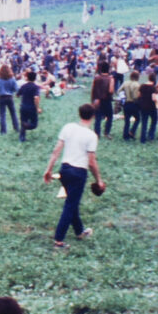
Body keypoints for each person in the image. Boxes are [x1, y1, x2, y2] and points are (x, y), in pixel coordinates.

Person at [43, 103, 105, 248]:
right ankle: (58, 240)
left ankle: (80, 232)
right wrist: (99, 180)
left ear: (79, 114)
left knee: (73, 201)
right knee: (70, 205)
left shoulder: (68, 127)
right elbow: (91, 162)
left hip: (65, 170)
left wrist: (49, 169)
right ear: (93, 117)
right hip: (78, 173)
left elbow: (56, 150)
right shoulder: (91, 136)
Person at [0, 63, 19, 134]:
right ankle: (16, 128)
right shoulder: (12, 79)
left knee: (2, 115)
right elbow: (17, 89)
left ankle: (3, 131)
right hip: (10, 97)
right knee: (13, 113)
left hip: (2, 97)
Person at [15, 69, 41, 143]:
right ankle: (25, 125)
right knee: (34, 124)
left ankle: (21, 138)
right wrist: (38, 108)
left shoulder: (23, 86)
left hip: (23, 107)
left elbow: (17, 95)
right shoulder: (36, 87)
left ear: (27, 77)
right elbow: (36, 97)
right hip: (31, 108)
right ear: (35, 78)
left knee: (24, 121)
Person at [90, 60, 114, 139]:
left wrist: (93, 101)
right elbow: (111, 90)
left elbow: (93, 90)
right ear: (108, 69)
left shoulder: (96, 78)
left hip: (97, 100)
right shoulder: (110, 79)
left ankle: (97, 134)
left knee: (98, 118)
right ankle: (107, 133)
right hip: (107, 100)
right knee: (109, 117)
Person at [121, 70, 142, 140]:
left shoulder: (125, 83)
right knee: (138, 119)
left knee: (127, 121)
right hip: (134, 104)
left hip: (126, 103)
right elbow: (136, 96)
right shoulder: (137, 84)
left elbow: (119, 91)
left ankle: (125, 135)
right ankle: (132, 131)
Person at [138, 72, 158, 143]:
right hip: (151, 107)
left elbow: (139, 95)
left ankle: (142, 139)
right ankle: (151, 135)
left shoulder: (142, 86)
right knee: (154, 120)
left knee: (144, 122)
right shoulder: (153, 88)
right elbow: (154, 98)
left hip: (143, 106)